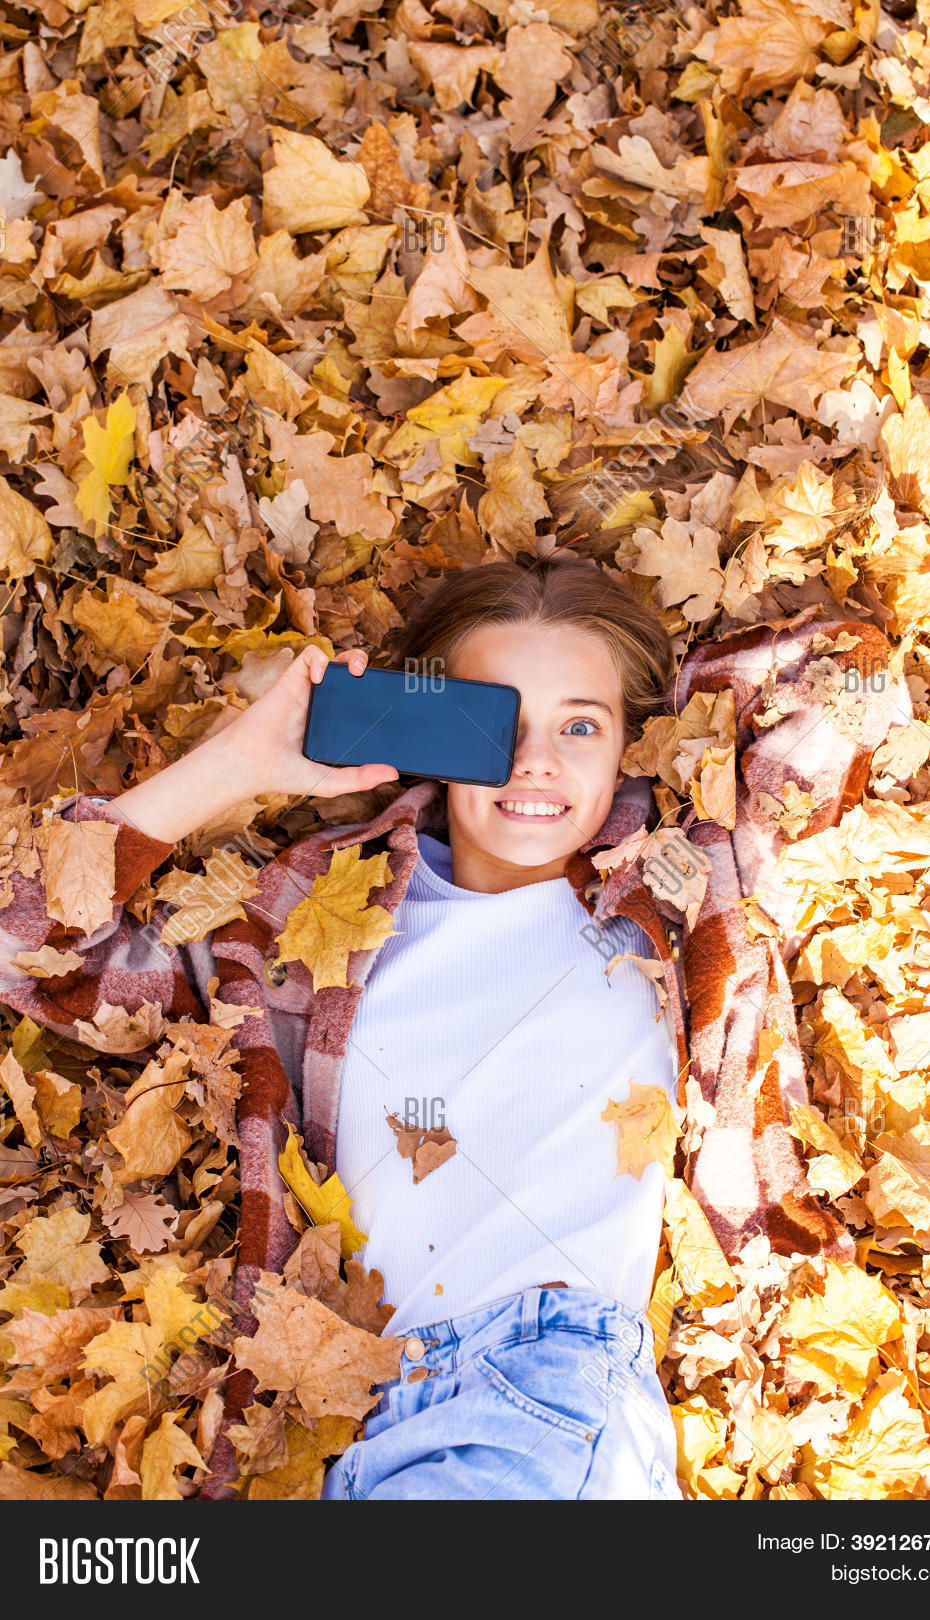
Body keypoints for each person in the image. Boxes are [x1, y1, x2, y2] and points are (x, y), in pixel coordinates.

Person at [1, 555, 686, 1500]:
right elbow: (28, 945)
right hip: (330, 1410)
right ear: (433, 732)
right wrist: (238, 763)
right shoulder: (310, 929)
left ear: (628, 748)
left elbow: (831, 678)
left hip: (541, 1393)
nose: (536, 761)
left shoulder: (673, 897)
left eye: (580, 725)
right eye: (494, 722)